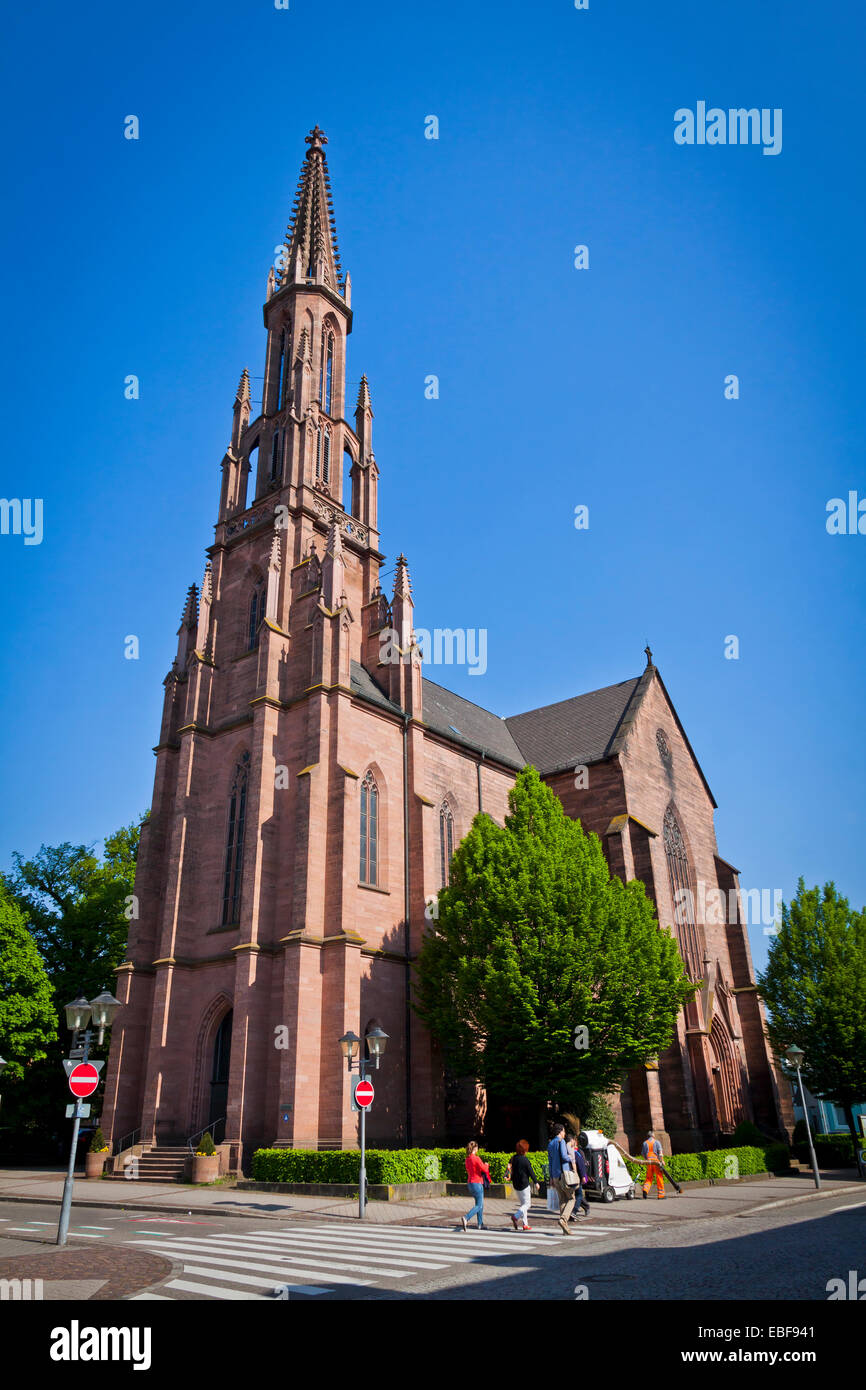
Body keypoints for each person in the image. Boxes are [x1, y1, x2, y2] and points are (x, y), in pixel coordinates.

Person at [547, 1122, 577, 1235]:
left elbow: (550, 1162)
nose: (564, 1133)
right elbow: (564, 1157)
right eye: (564, 1131)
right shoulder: (562, 1142)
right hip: (563, 1174)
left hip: (555, 1175)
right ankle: (563, 1219)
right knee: (571, 1198)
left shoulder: (550, 1144)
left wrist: (550, 1177)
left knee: (562, 1200)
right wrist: (571, 1157)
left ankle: (565, 1228)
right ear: (560, 1131)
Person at [506, 1139, 539, 1231]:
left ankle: (525, 1224)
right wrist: (536, 1182)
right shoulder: (525, 1160)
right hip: (524, 1185)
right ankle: (516, 1217)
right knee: (527, 1204)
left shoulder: (513, 1158)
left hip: (516, 1185)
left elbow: (510, 1169)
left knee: (523, 1204)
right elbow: (531, 1172)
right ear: (525, 1150)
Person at [461, 1140, 491, 1230]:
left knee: (479, 1204)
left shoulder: (467, 1159)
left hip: (470, 1183)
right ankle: (466, 1218)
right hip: (477, 1183)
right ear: (475, 1148)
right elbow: (484, 1169)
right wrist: (487, 1165)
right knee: (479, 1205)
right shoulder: (476, 1158)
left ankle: (480, 1224)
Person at [566, 1134, 591, 1220]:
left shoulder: (567, 1151)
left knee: (576, 1194)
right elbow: (581, 1164)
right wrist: (583, 1176)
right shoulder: (575, 1152)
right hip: (575, 1177)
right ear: (572, 1141)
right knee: (579, 1195)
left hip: (568, 1176)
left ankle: (574, 1212)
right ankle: (574, 1211)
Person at [642, 1129, 665, 1199]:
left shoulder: (645, 1143)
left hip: (649, 1162)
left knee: (649, 1177)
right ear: (652, 1135)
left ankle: (645, 1190)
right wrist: (661, 1161)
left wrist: (647, 1160)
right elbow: (660, 1154)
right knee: (659, 1177)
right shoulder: (657, 1142)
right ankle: (661, 1195)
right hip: (656, 1162)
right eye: (654, 1134)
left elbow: (643, 1154)